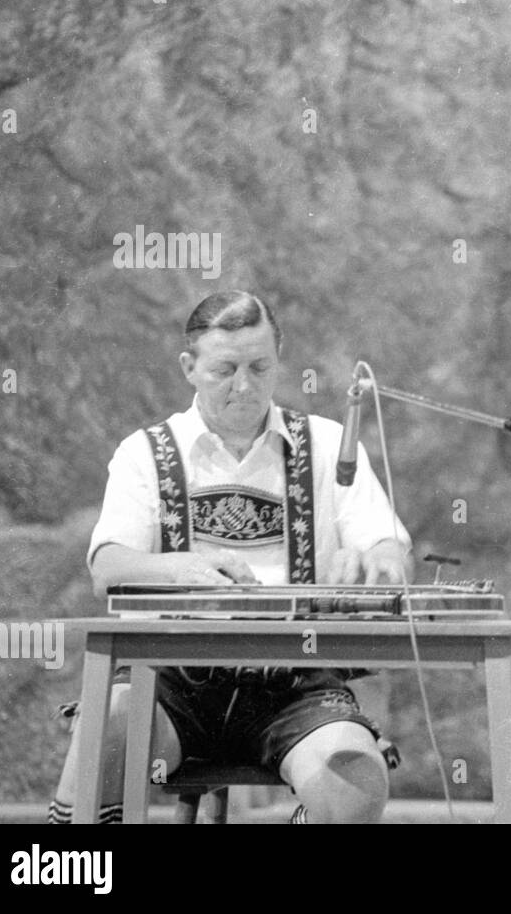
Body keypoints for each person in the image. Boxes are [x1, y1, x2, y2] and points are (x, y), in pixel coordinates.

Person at [50, 290, 414, 824]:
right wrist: (180, 568)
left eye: (259, 367)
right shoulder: (145, 451)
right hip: (172, 681)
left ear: (278, 360)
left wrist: (378, 562)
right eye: (224, 370)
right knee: (104, 730)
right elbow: (107, 568)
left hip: (297, 685)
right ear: (189, 367)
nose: (244, 386)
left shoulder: (328, 444)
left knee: (355, 778)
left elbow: (388, 547)